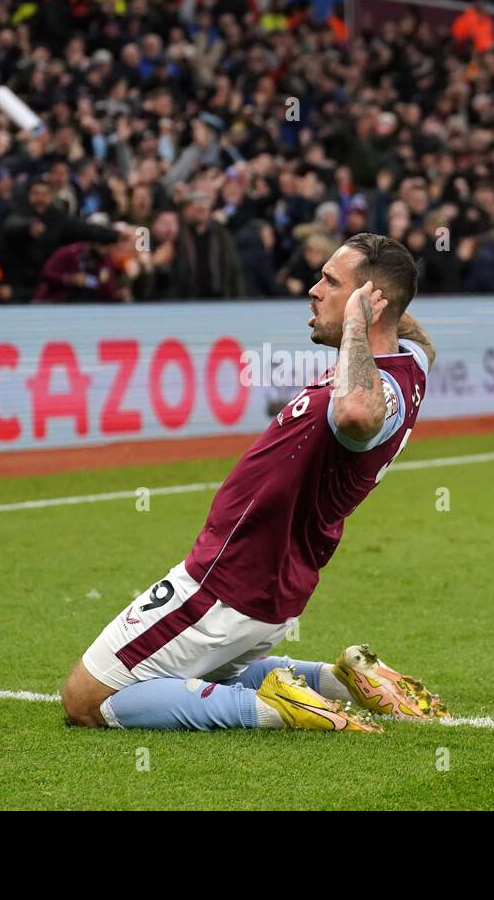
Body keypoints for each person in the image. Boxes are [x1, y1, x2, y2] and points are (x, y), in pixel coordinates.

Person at [61, 233, 446, 733]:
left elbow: (356, 413)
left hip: (228, 581)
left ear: (368, 306)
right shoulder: (409, 362)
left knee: (85, 700)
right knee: (199, 676)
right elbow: (419, 340)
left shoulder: (374, 394)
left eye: (330, 282)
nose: (313, 290)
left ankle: (275, 710)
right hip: (271, 586)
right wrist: (378, 308)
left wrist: (356, 320)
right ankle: (337, 681)